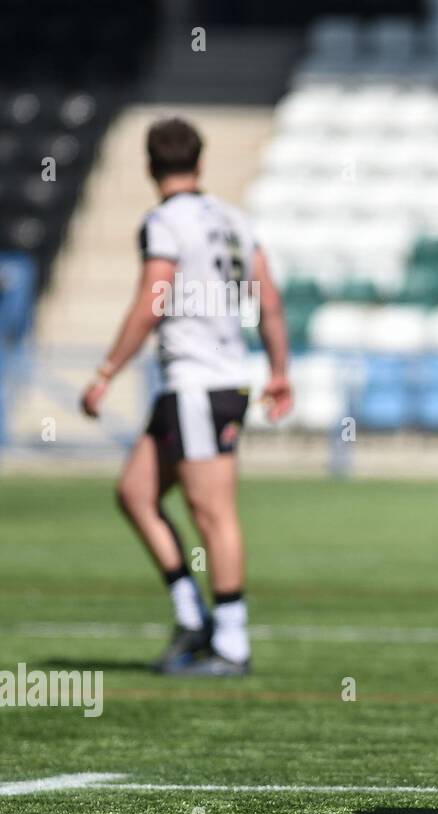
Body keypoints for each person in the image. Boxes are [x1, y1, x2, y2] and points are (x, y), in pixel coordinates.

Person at [80, 117, 291, 675]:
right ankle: (191, 616)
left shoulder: (164, 221)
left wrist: (105, 372)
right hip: (212, 381)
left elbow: (153, 301)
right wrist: (279, 369)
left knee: (212, 513)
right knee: (135, 493)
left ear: (150, 166)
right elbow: (267, 299)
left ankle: (232, 644)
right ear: (199, 162)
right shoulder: (235, 220)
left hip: (199, 382)